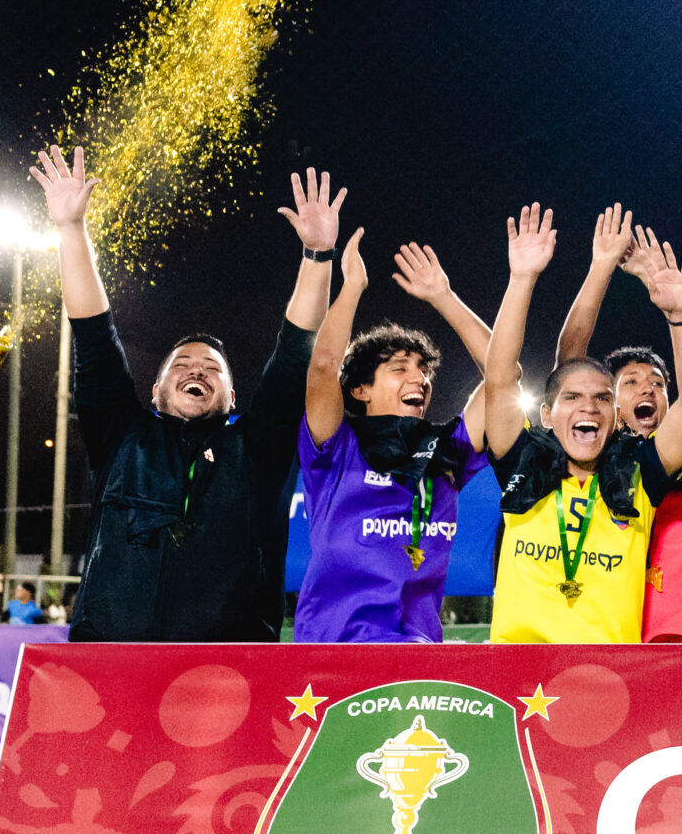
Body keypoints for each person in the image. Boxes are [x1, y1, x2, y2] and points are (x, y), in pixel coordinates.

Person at [30, 144, 340, 642]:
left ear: (233, 397)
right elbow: (93, 335)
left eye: (212, 369)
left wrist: (318, 256)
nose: (197, 371)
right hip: (111, 670)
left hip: (229, 675)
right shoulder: (121, 438)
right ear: (154, 392)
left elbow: (293, 356)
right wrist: (70, 229)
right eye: (183, 365)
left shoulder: (258, 451)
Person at [482, 205, 682, 644]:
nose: (588, 408)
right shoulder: (523, 461)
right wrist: (522, 279)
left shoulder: (639, 474)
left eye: (602, 399)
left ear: (616, 416)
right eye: (572, 398)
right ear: (547, 416)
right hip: (516, 676)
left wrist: (680, 315)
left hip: (611, 680)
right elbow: (497, 378)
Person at [295, 230, 494, 643]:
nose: (418, 377)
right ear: (360, 390)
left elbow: (504, 378)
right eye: (400, 368)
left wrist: (444, 297)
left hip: (417, 662)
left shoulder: (446, 451)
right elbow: (323, 366)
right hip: (334, 655)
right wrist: (352, 288)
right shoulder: (336, 444)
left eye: (423, 369)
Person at [557, 205, 682, 642]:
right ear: (609, 405)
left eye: (656, 382)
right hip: (617, 629)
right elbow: (569, 363)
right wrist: (600, 268)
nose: (647, 390)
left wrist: (680, 314)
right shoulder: (590, 455)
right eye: (630, 383)